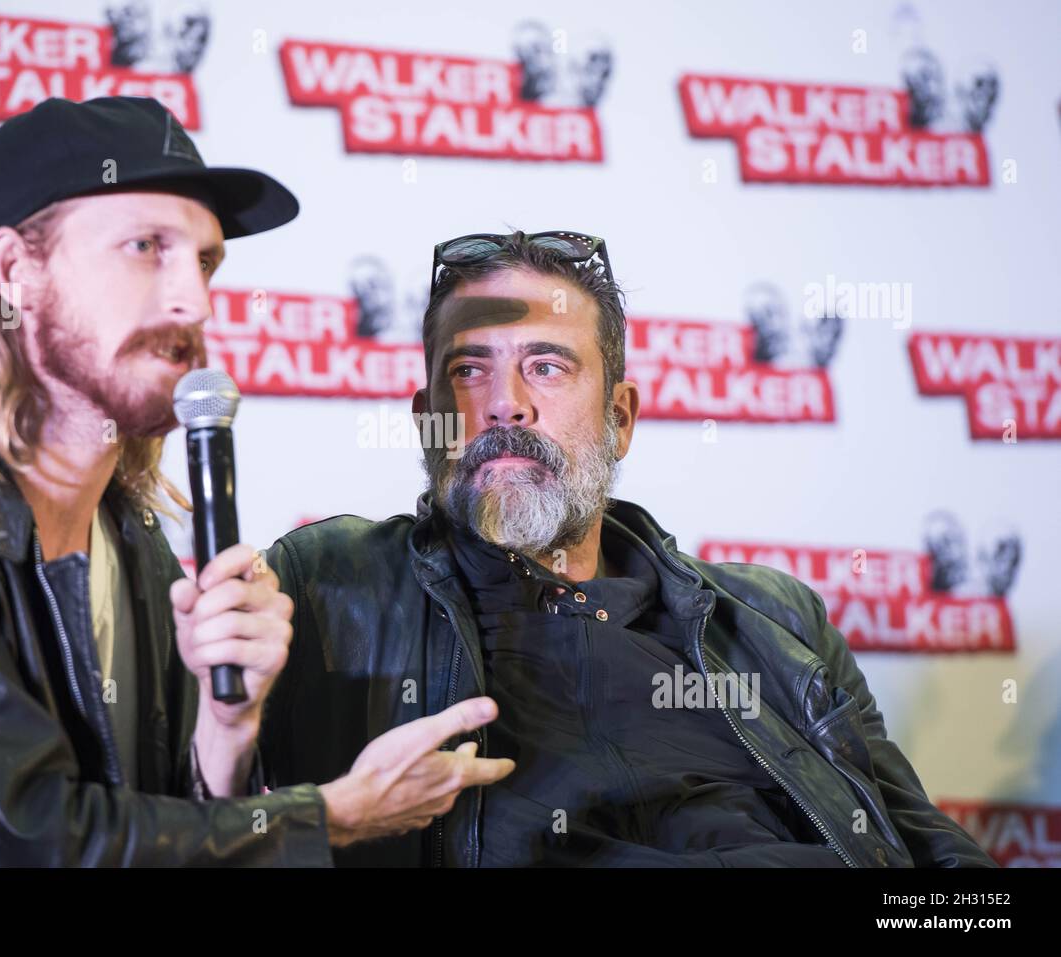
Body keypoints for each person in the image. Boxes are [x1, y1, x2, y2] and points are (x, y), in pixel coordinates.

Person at [0, 96, 512, 866]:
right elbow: (31, 844)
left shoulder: (130, 532)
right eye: (147, 246)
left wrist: (226, 729)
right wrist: (330, 816)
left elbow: (155, 819)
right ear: (17, 272)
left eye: (206, 259)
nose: (195, 299)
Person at [258, 230, 997, 868]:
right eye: (469, 369)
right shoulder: (330, 586)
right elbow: (200, 822)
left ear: (620, 417)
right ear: (428, 422)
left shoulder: (777, 620)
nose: (505, 402)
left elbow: (928, 849)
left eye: (547, 366)